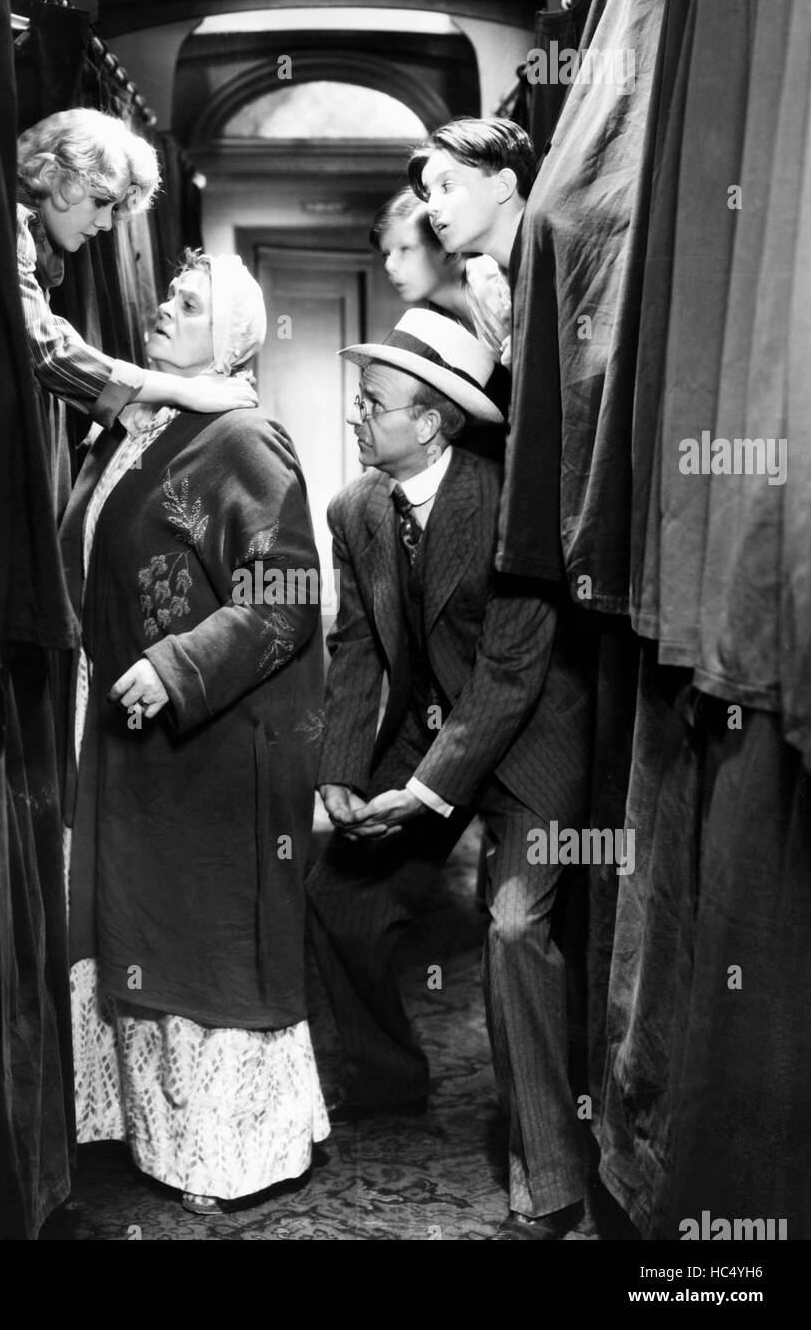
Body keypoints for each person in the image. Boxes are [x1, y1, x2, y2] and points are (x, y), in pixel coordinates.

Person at [306, 307, 593, 1240]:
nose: (357, 416)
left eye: (373, 403)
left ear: (430, 422)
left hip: (530, 744)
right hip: (425, 739)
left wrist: (427, 793)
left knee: (512, 928)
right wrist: (343, 776)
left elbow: (512, 673)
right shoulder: (355, 509)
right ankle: (388, 1082)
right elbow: (357, 649)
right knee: (334, 894)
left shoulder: (515, 506)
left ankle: (547, 1171)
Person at [59, 250, 329, 1215]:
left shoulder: (243, 437)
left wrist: (175, 670)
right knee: (145, 931)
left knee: (207, 940)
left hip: (215, 741)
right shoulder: (145, 426)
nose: (165, 306)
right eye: (168, 294)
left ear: (235, 337)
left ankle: (233, 1156)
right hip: (136, 739)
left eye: (189, 300)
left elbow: (287, 593)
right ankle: (165, 1144)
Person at [15, 109, 253, 510]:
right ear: (54, 176)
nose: (108, 223)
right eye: (101, 202)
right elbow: (50, 354)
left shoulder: (39, 245)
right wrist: (183, 390)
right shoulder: (12, 224)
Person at [408, 117, 537, 369]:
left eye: (447, 186)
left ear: (503, 186)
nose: (431, 207)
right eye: (428, 193)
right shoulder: (489, 290)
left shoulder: (562, 256)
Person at [369, 188, 511, 359]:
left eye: (405, 249)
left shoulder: (497, 283)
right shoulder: (438, 325)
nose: (389, 265)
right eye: (387, 254)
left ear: (448, 248)